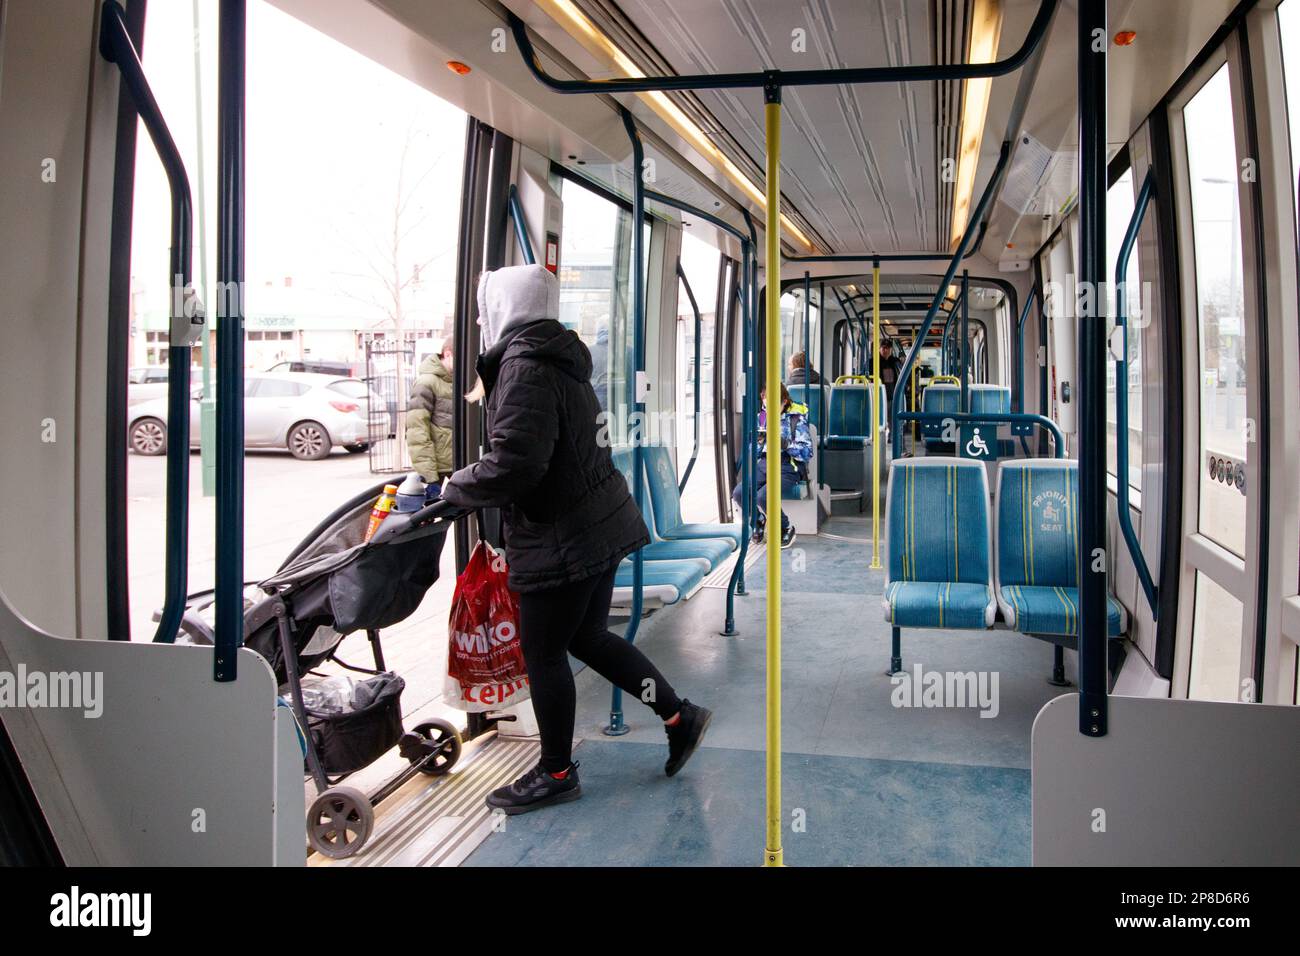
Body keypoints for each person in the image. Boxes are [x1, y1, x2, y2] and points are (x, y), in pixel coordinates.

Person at [440, 264, 712, 815]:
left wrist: (454, 486)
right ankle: (679, 716)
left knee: (543, 654)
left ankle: (556, 771)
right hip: (599, 522)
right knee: (589, 638)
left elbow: (517, 466)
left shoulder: (522, 368)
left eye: (482, 309)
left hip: (562, 535)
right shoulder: (559, 358)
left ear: (501, 310)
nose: (478, 320)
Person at [732, 382, 812, 550]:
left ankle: (786, 528)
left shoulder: (796, 418)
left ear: (784, 402)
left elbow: (806, 452)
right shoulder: (762, 417)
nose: (770, 411)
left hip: (789, 466)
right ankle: (758, 519)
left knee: (763, 496)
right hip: (765, 463)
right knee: (739, 493)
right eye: (766, 406)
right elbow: (752, 451)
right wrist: (758, 444)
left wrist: (785, 444)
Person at [406, 335, 455, 493]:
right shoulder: (426, 382)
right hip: (439, 470)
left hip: (459, 464)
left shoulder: (459, 381)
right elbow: (417, 431)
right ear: (447, 354)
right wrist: (428, 476)